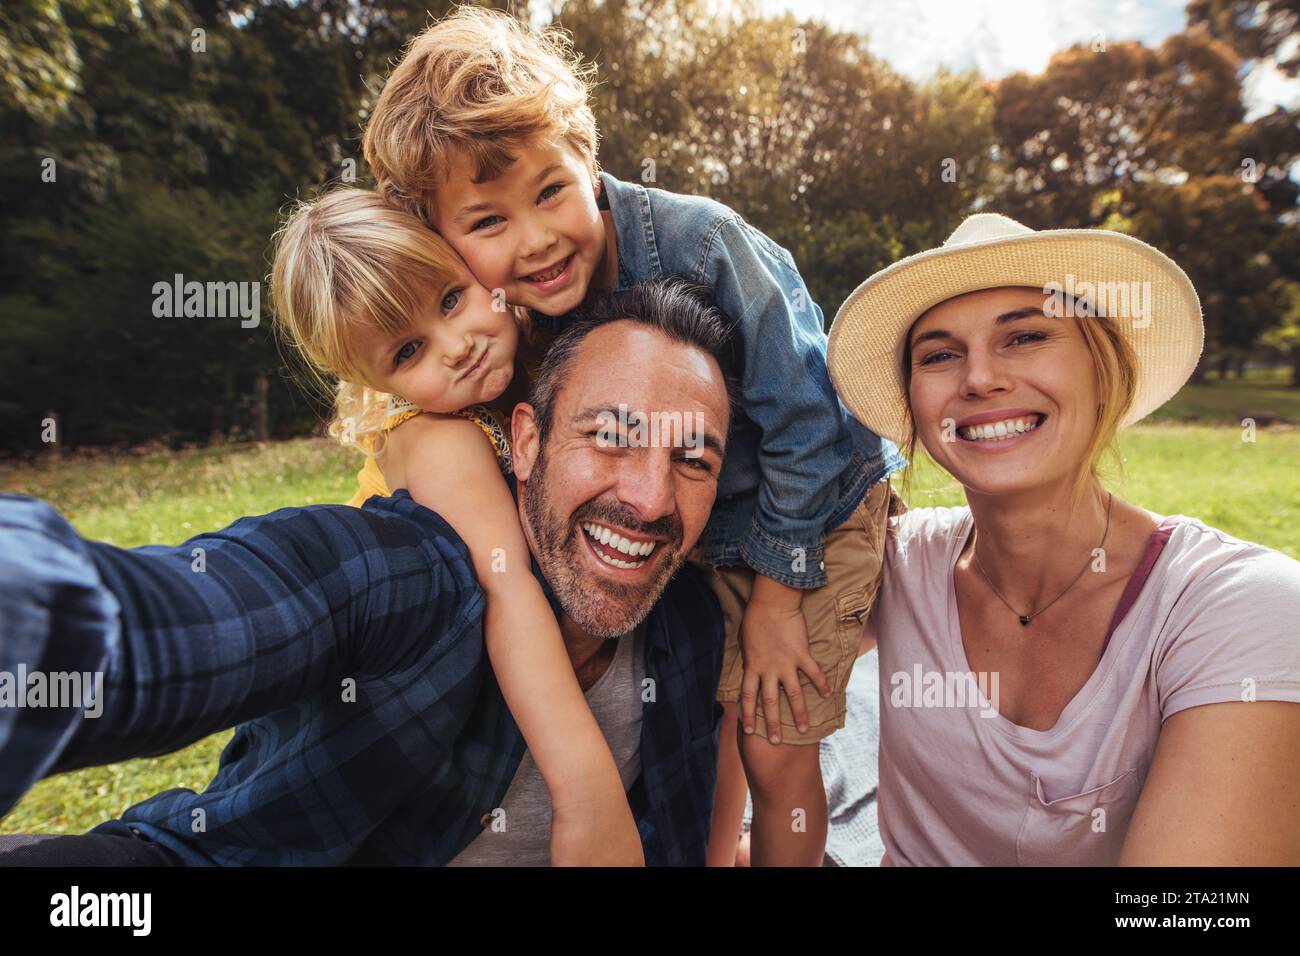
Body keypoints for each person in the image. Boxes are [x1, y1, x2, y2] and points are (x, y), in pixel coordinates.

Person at [360, 5, 905, 867]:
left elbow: (812, 417)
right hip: (691, 519)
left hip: (814, 511)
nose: (536, 240)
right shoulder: (506, 321)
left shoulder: (705, 244)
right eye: (488, 222)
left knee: (773, 730)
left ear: (588, 154)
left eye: (549, 191)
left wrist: (774, 599)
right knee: (711, 712)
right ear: (444, 236)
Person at [0, 277, 734, 866]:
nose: (649, 498)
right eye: (609, 438)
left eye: (692, 460)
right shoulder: (411, 576)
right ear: (527, 439)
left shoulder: (693, 631)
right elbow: (186, 621)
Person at [825, 212, 1300, 865]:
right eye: (939, 354)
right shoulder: (895, 562)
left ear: (1104, 373)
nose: (979, 378)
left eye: (1024, 336)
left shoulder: (1239, 607)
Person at [271, 186, 638, 864]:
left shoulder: (527, 367)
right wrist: (589, 794)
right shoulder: (437, 437)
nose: (457, 345)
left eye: (450, 300)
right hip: (397, 719)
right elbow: (509, 594)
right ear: (368, 379)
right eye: (408, 352)